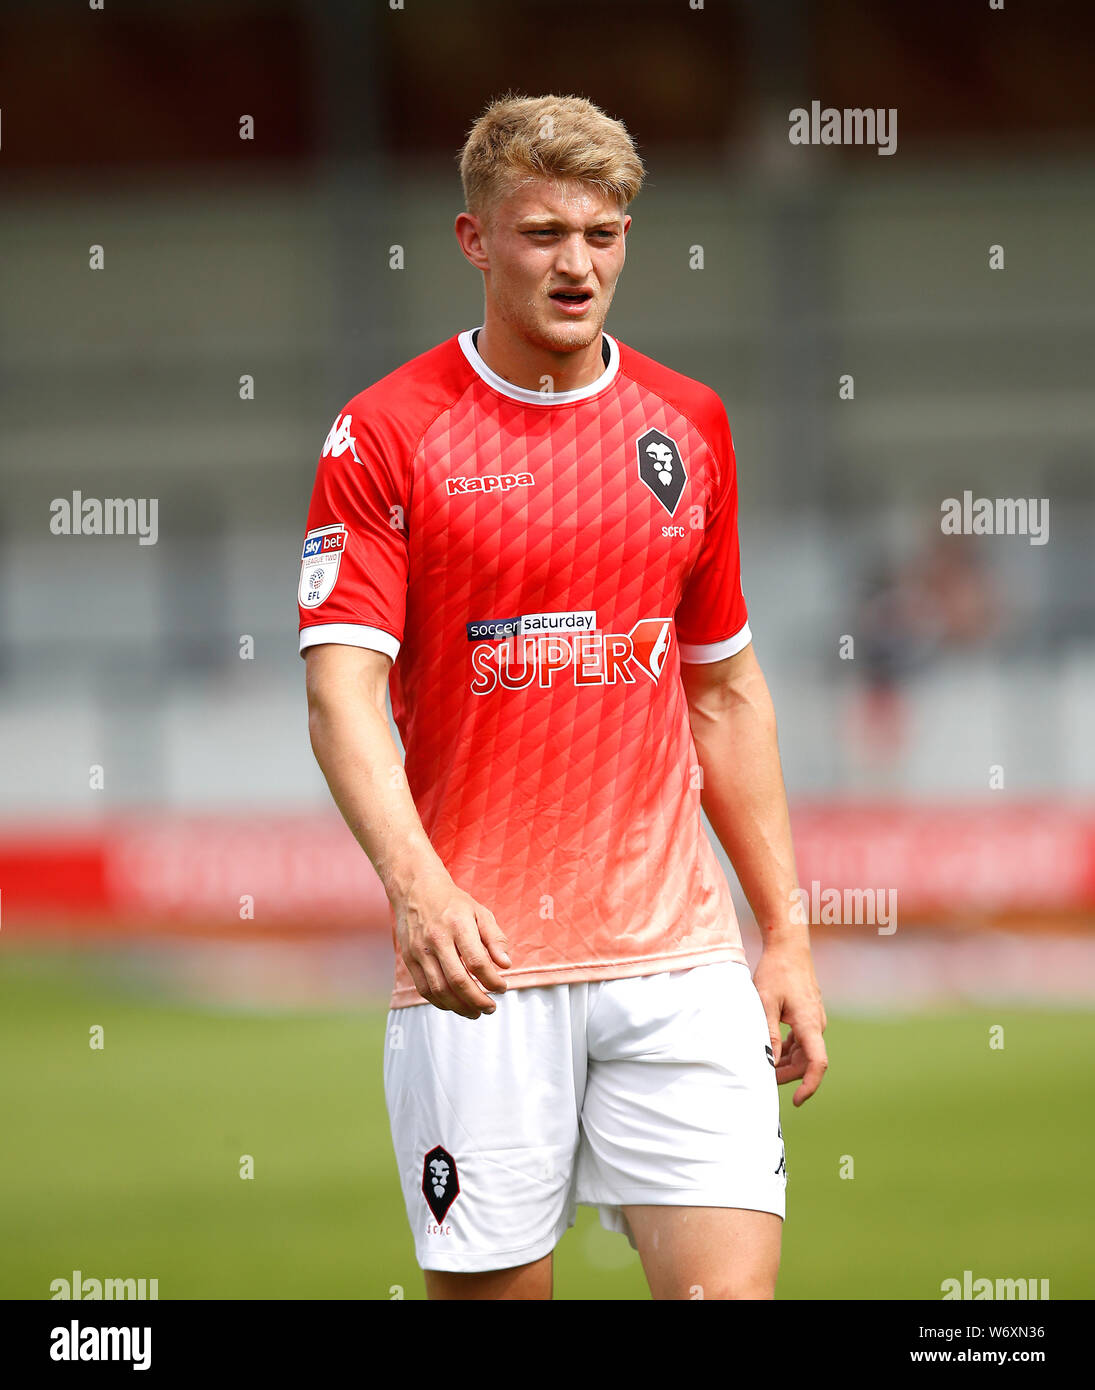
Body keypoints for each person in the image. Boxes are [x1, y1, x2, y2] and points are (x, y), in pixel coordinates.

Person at [298, 93, 827, 1301]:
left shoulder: (688, 425)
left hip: (678, 961)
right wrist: (419, 889)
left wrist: (784, 931)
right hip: (481, 970)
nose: (578, 262)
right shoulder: (387, 433)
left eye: (605, 231)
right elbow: (341, 692)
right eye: (543, 233)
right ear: (475, 240)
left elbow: (727, 694)